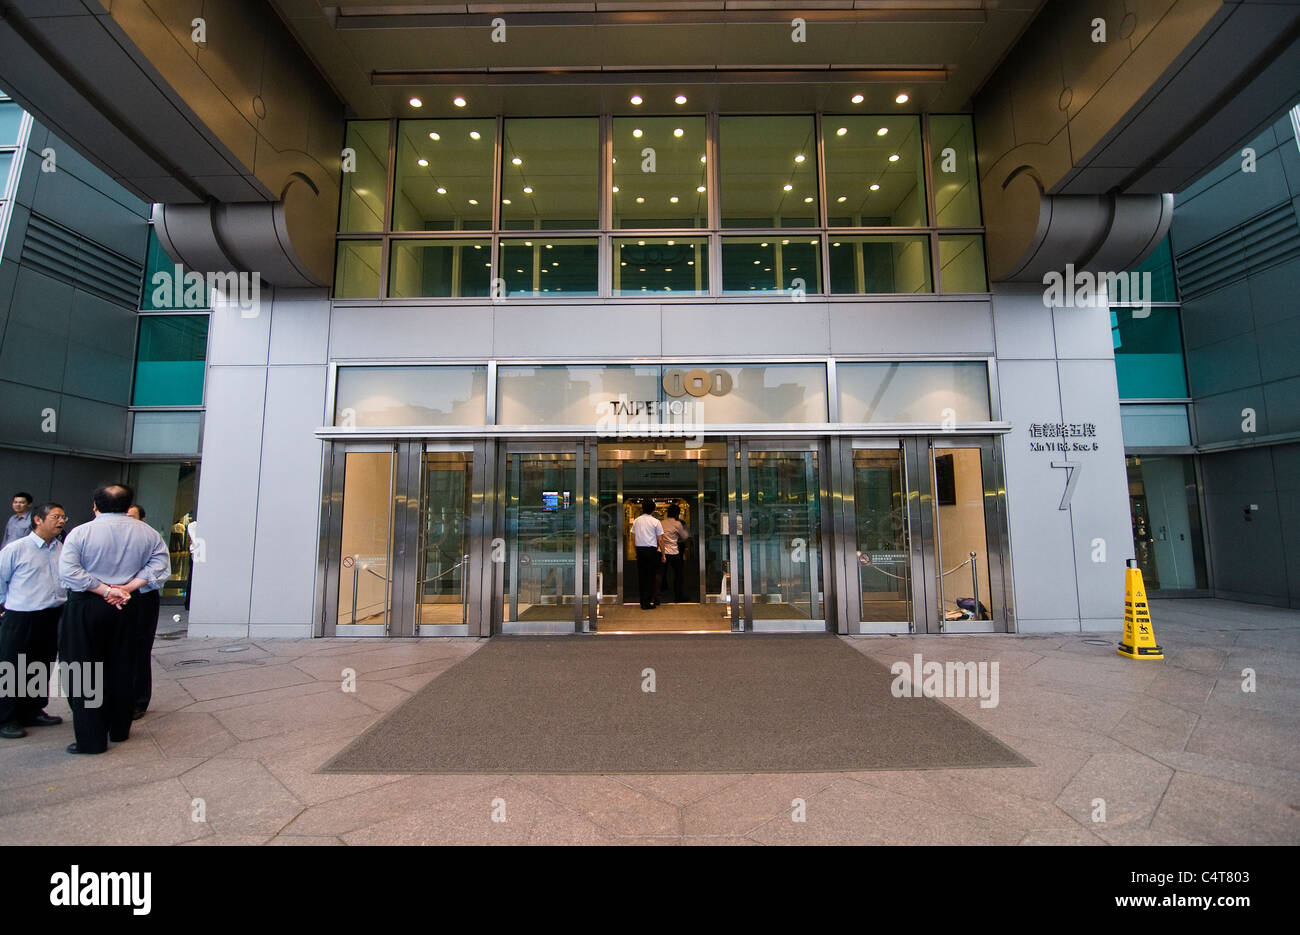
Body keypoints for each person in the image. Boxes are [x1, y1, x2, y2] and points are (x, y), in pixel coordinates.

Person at [57, 484, 169, 755]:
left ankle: (91, 739)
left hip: (87, 605)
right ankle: (119, 729)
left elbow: (69, 572)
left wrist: (106, 590)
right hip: (130, 606)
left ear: (95, 506)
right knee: (124, 666)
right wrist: (127, 588)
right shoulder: (149, 533)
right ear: (128, 504)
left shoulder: (81, 533)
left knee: (82, 670)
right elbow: (159, 568)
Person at [0, 502, 68, 738]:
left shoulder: (62, 549)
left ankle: (32, 710)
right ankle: (5, 717)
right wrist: (5, 605)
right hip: (21, 615)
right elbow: (1, 579)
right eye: (56, 517)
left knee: (41, 662)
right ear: (38, 519)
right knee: (11, 666)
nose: (61, 521)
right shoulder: (16, 548)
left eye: (63, 518)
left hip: (52, 613)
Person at [127, 504, 168, 719]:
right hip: (110, 596)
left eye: (131, 517)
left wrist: (130, 586)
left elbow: (161, 571)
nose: (126, 520)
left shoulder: (151, 538)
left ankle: (138, 701)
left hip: (142, 596)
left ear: (143, 519)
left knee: (139, 649)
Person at [631, 498, 664, 610]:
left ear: (642, 508)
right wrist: (663, 554)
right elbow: (660, 540)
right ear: (653, 509)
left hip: (640, 550)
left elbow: (633, 537)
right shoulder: (656, 522)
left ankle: (642, 601)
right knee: (651, 577)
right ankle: (648, 601)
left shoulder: (637, 521)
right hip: (651, 551)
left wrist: (635, 550)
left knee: (641, 576)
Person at [659, 503, 690, 604]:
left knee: (660, 573)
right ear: (677, 514)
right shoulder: (677, 524)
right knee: (678, 574)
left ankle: (658, 594)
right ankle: (678, 596)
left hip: (661, 551)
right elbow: (685, 536)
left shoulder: (661, 523)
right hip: (673, 552)